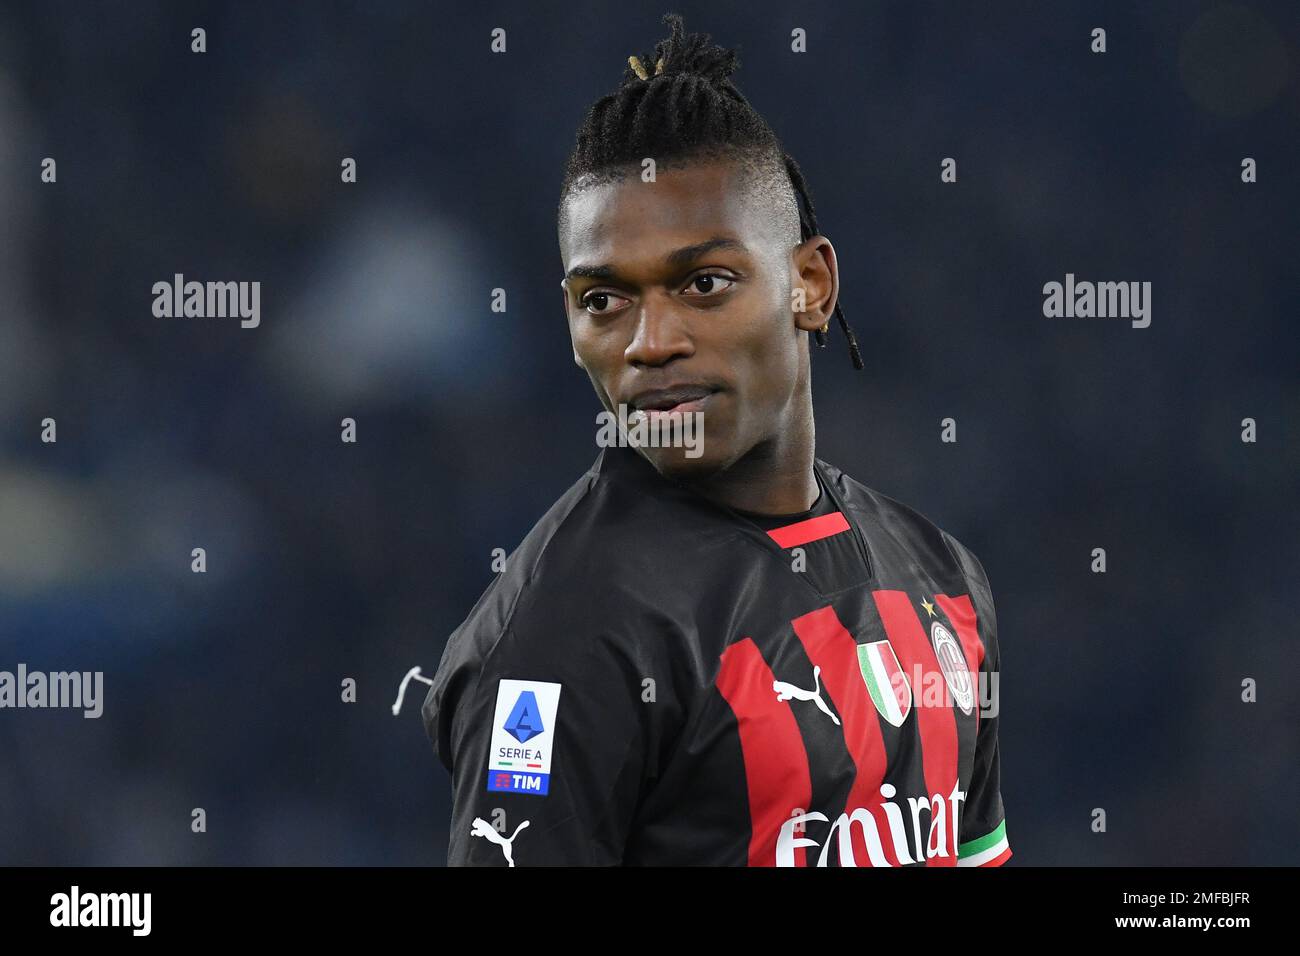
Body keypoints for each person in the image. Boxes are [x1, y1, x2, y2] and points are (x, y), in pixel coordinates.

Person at [421, 13, 1010, 867]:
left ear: (809, 285)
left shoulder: (944, 579)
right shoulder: (561, 643)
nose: (649, 340)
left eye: (704, 283)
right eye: (604, 300)